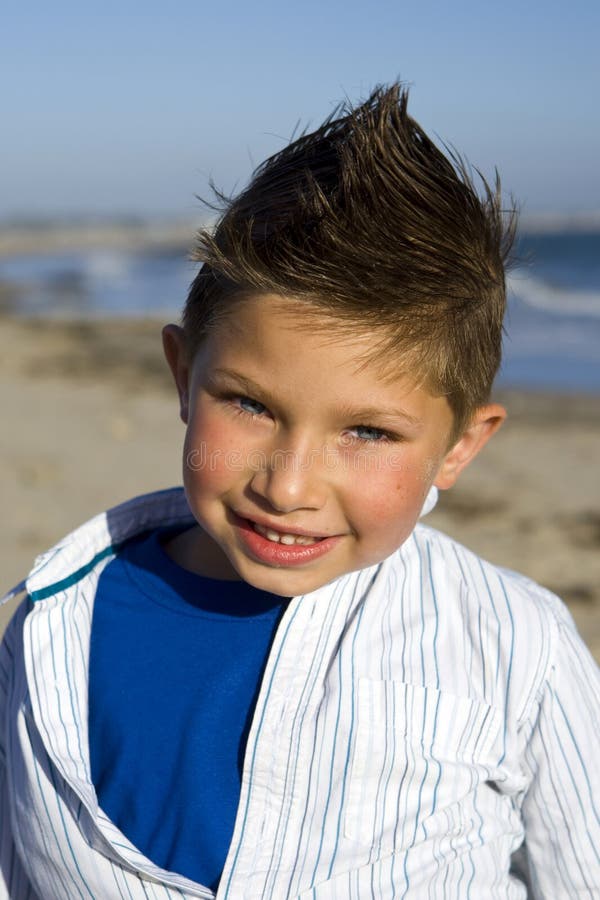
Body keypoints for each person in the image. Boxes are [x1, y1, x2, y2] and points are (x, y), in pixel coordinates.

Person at [1, 84, 598, 900]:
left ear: (459, 446)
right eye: (249, 405)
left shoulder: (517, 649)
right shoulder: (50, 623)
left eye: (369, 432)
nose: (287, 486)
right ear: (184, 375)